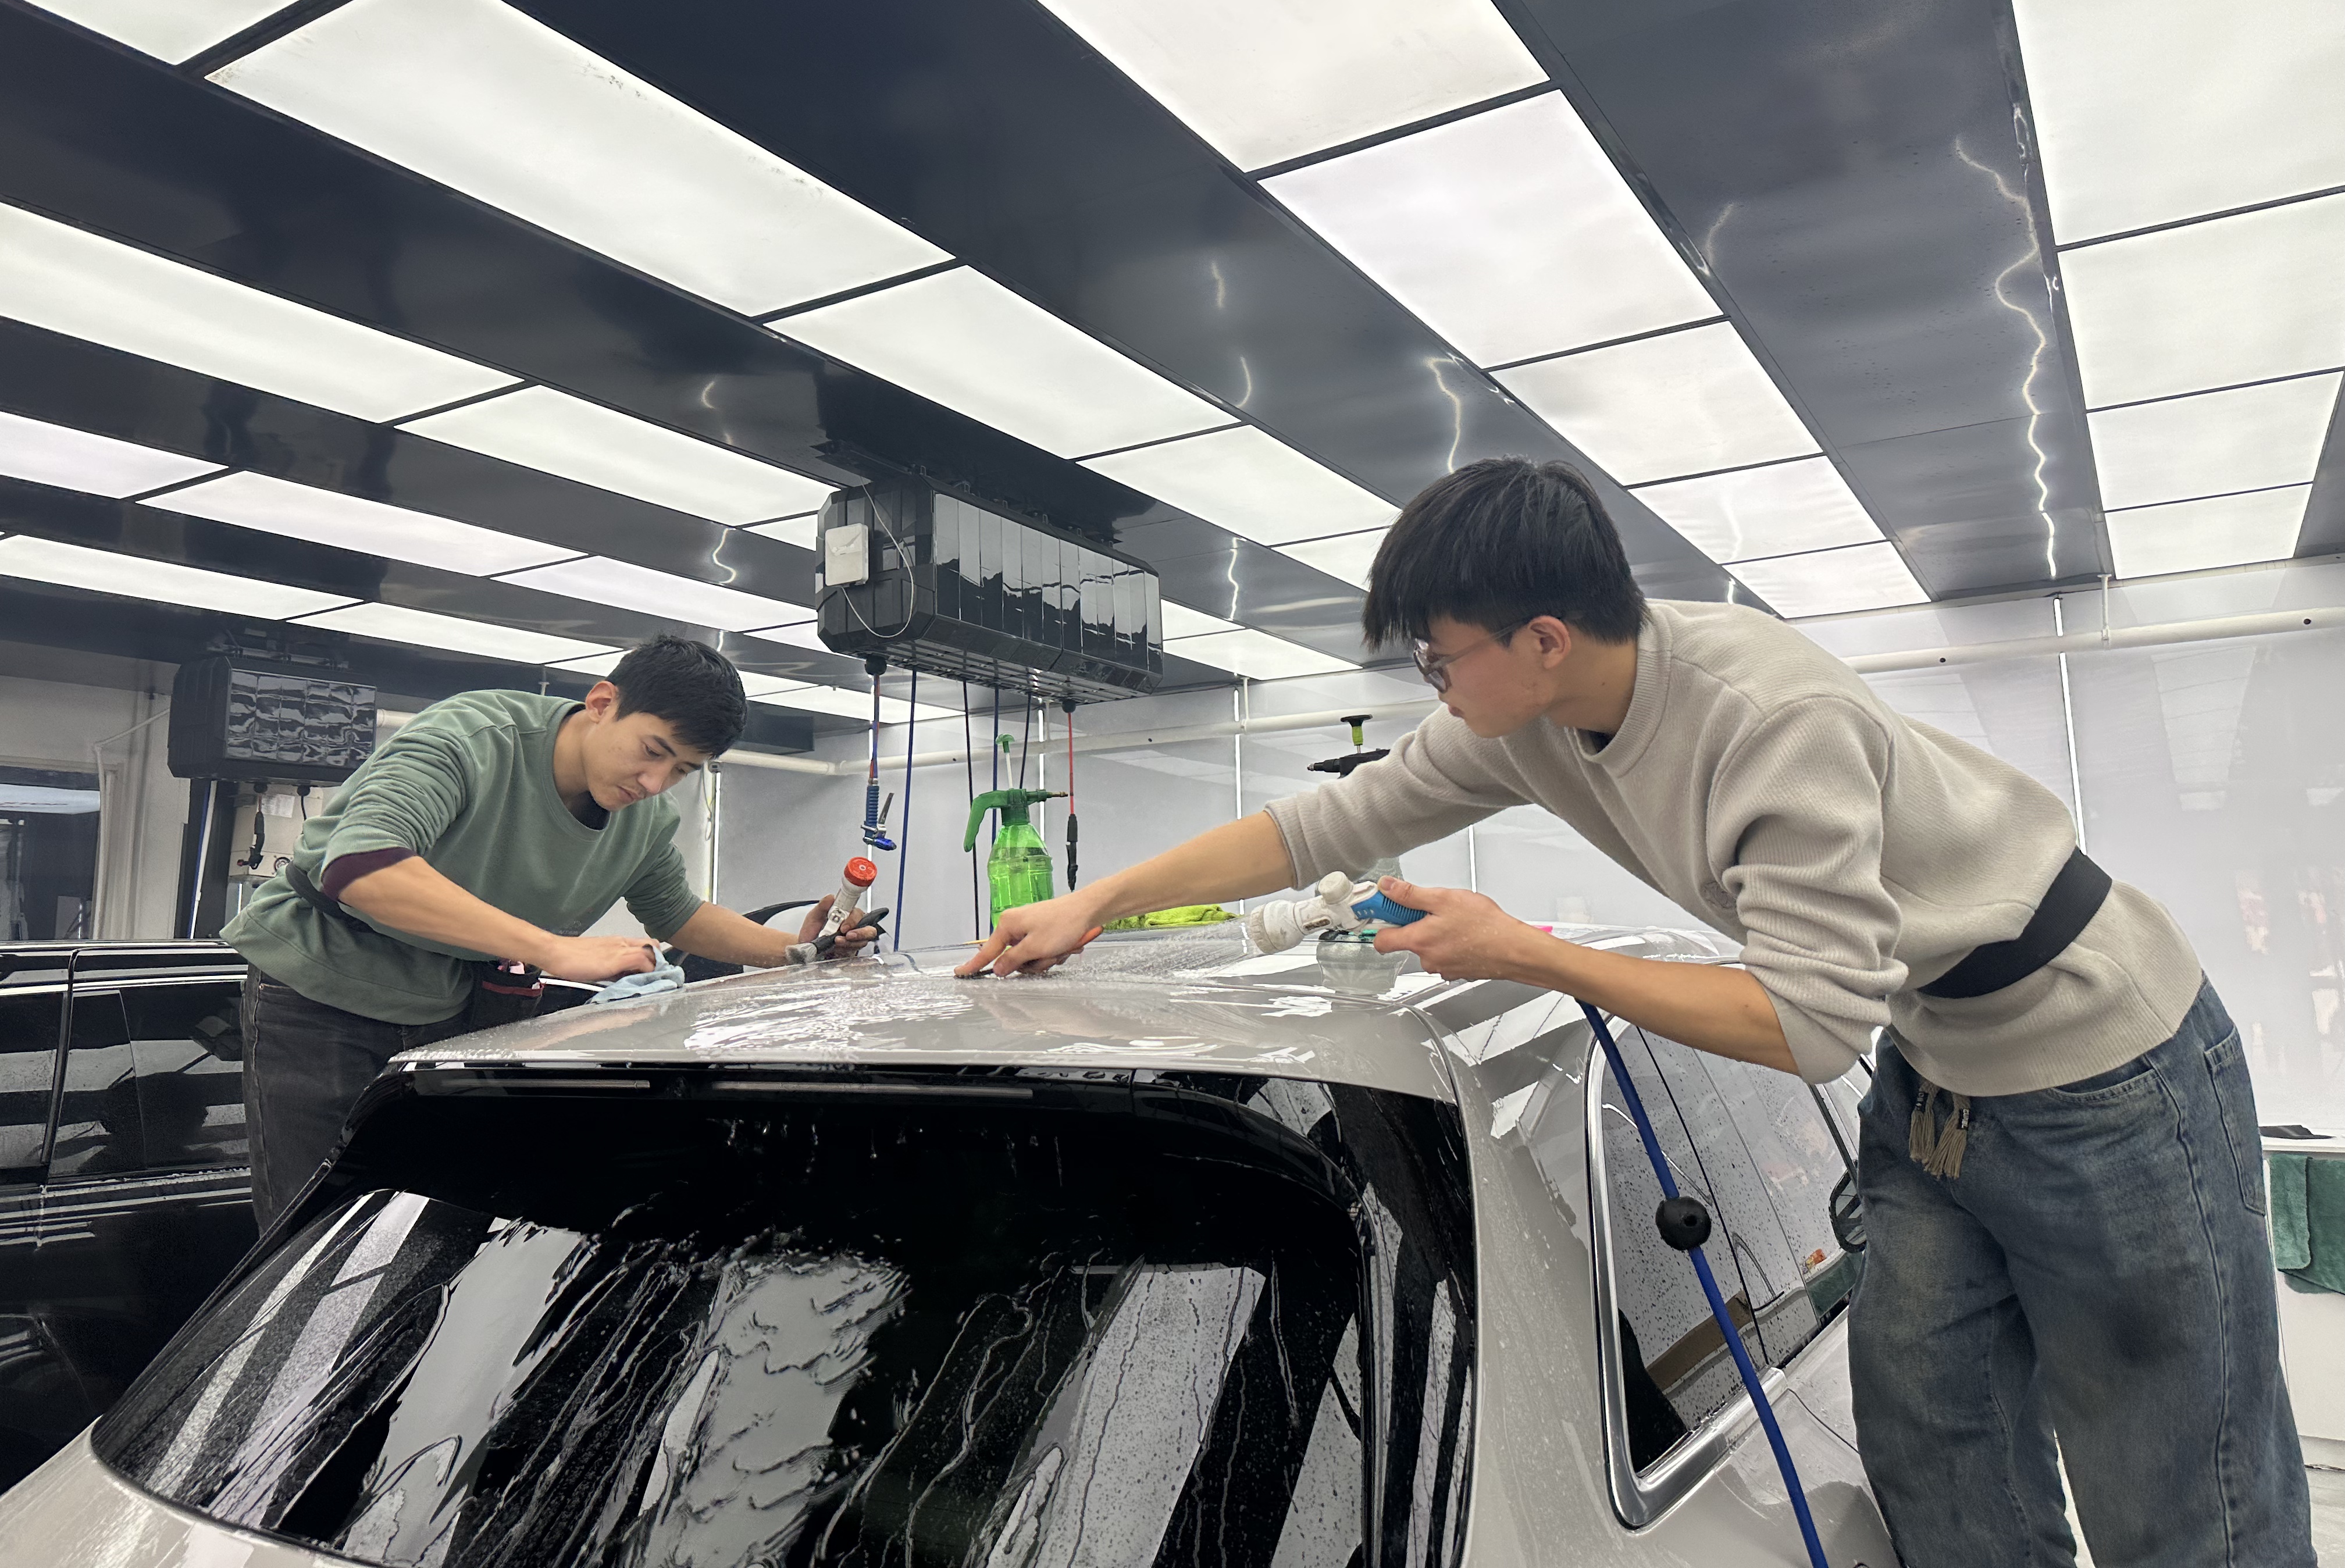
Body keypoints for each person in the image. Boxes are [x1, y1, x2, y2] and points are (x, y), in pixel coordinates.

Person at [958, 458, 2314, 1567]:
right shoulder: (1525, 723)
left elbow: (1810, 1030)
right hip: (1937, 1067)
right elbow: (1326, 825)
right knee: (1935, 1441)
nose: (1436, 688)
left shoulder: (1766, 720)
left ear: (1544, 641)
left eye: (1440, 661)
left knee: (2177, 1483)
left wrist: (1530, 952)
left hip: (2102, 1060)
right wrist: (1101, 902)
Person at [224, 635, 875, 1225]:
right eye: (653, 751)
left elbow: (678, 914)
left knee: (434, 1223)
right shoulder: (473, 737)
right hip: (323, 996)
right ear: (602, 703)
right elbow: (363, 867)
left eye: (682, 770)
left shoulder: (644, 820)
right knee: (315, 1229)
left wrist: (800, 952)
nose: (655, 782)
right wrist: (553, 949)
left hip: (453, 1012)